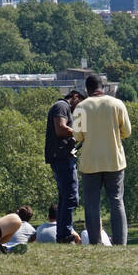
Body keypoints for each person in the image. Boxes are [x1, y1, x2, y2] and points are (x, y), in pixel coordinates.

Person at [72, 74, 131, 246]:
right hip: (114, 160)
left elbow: (78, 135)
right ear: (103, 87)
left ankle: (95, 242)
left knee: (92, 205)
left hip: (90, 162)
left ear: (87, 89)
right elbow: (126, 131)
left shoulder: (81, 107)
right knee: (117, 201)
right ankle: (121, 242)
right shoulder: (117, 104)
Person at [45, 88, 84, 244]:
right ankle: (65, 232)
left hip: (62, 157)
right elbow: (60, 129)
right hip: (61, 158)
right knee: (70, 196)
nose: (80, 107)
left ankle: (63, 233)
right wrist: (80, 133)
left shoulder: (67, 109)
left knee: (65, 197)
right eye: (80, 103)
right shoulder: (62, 106)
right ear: (75, 96)